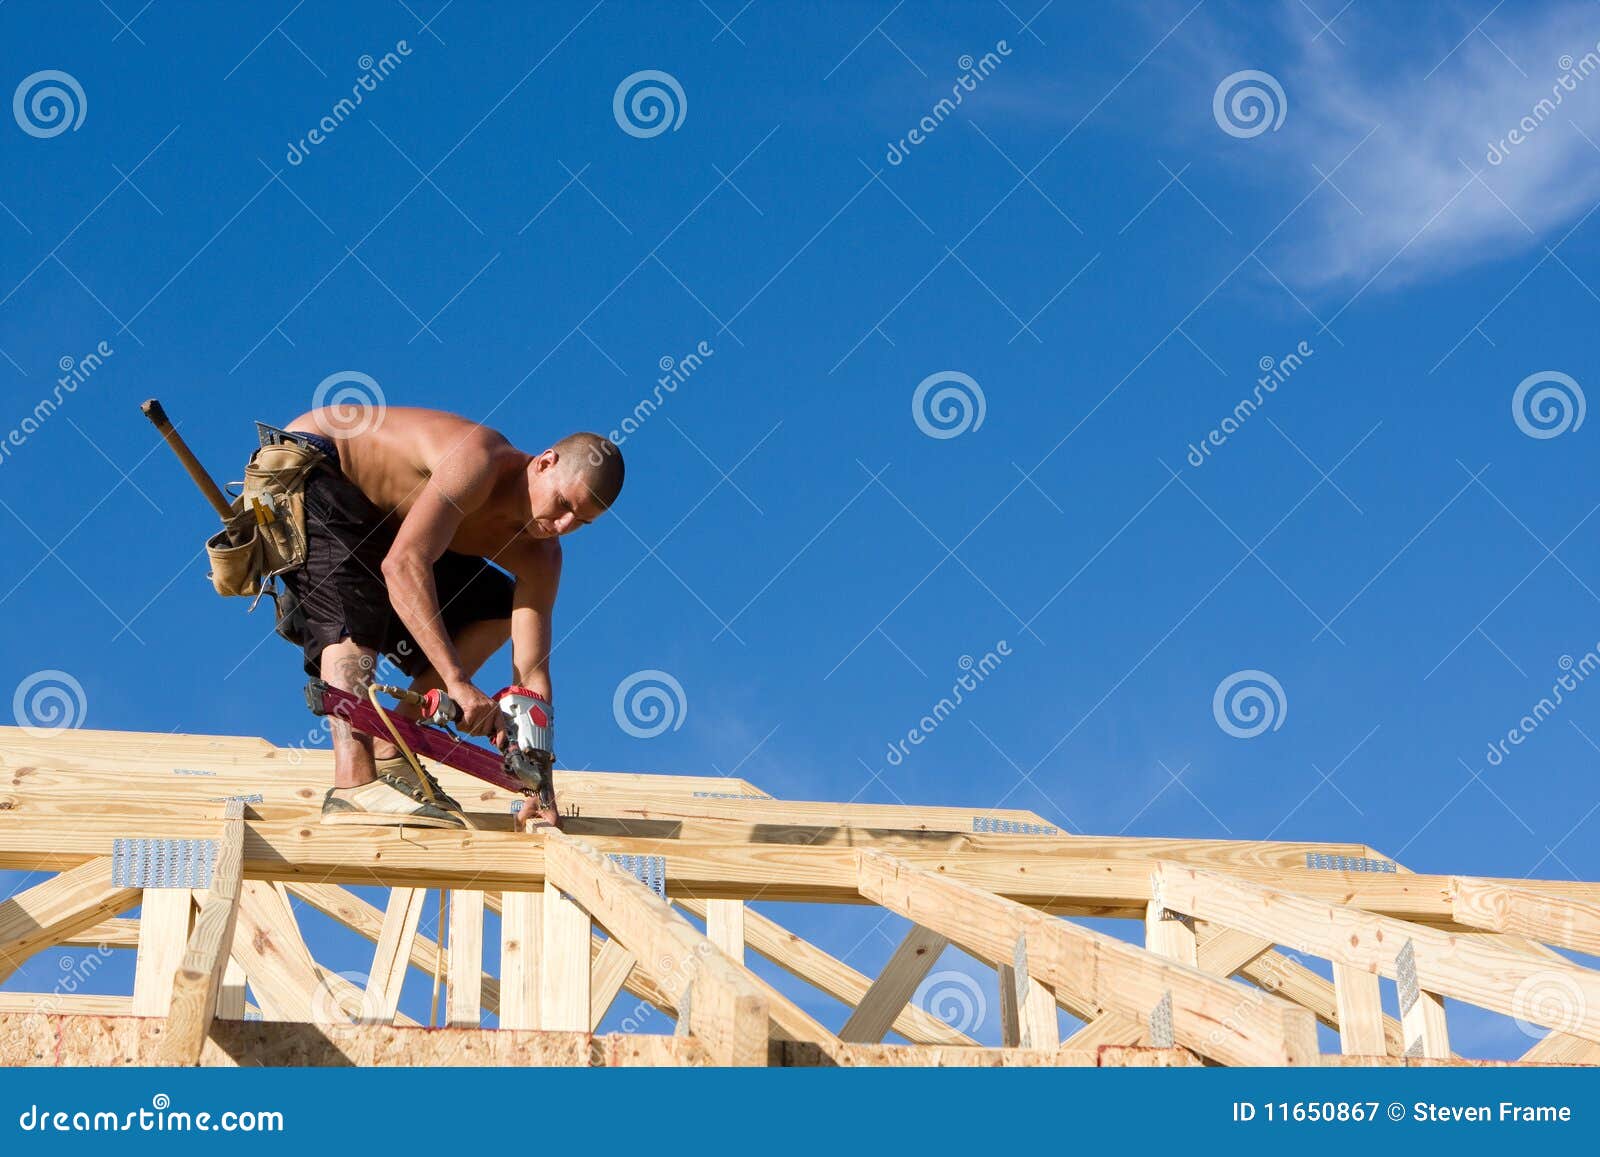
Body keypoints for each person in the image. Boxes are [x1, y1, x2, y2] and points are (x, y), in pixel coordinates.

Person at [277, 405, 623, 828]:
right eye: (564, 502)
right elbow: (402, 566)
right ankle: (353, 786)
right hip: (317, 462)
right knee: (357, 608)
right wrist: (457, 683)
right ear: (545, 462)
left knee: (498, 610)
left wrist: (539, 785)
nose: (563, 524)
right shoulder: (478, 462)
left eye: (581, 522)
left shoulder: (542, 557)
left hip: (390, 522)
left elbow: (532, 678)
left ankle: (392, 746)